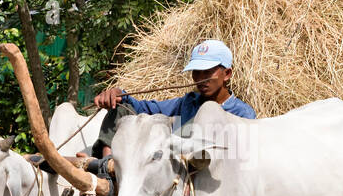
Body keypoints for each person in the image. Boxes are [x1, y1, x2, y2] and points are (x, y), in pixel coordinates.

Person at [85, 39, 256, 162]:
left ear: (227, 74)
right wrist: (120, 93)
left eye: (207, 71)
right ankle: (106, 165)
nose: (200, 78)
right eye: (196, 71)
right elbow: (145, 107)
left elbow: (242, 160)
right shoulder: (188, 102)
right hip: (171, 176)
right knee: (122, 105)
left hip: (206, 181)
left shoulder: (242, 114)